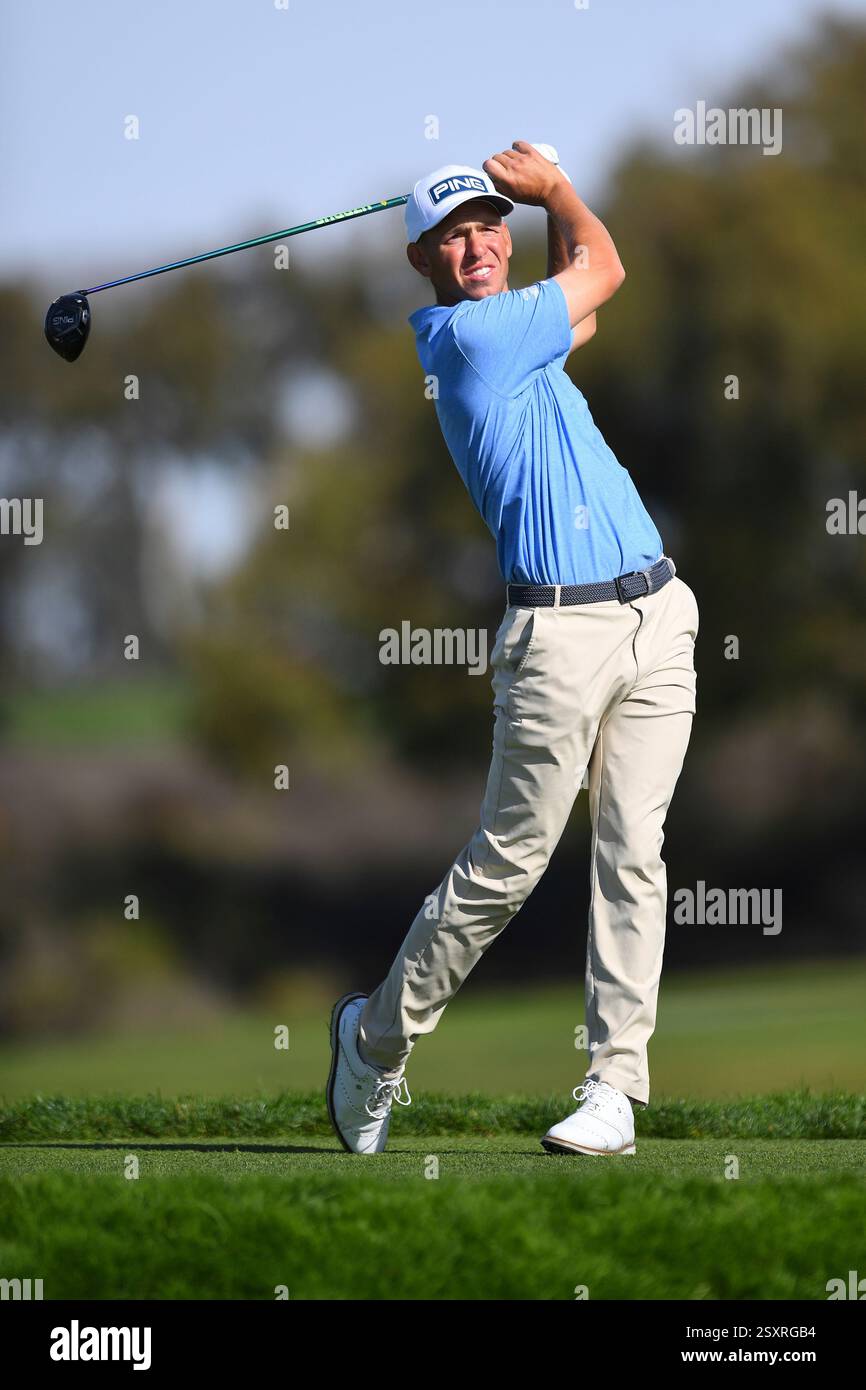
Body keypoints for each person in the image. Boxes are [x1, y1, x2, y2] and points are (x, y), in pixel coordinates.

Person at [326, 140, 699, 1156]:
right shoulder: (474, 343)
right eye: (451, 234)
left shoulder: (515, 336)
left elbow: (586, 301)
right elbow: (605, 269)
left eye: (488, 222)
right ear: (421, 261)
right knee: (507, 865)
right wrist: (556, 190)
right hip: (557, 636)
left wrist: (535, 216)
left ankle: (613, 1088)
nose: (475, 243)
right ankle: (372, 1041)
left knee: (634, 853)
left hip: (656, 613)